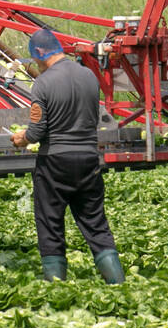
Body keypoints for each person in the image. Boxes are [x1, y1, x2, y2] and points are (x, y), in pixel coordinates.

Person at [10, 28, 124, 284]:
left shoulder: (43, 83)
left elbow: (38, 131)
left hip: (55, 162)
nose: (36, 65)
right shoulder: (88, 76)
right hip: (88, 159)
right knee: (95, 223)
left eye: (35, 59)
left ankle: (56, 288)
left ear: (39, 53)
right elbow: (93, 118)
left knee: (50, 224)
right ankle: (118, 285)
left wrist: (21, 138)